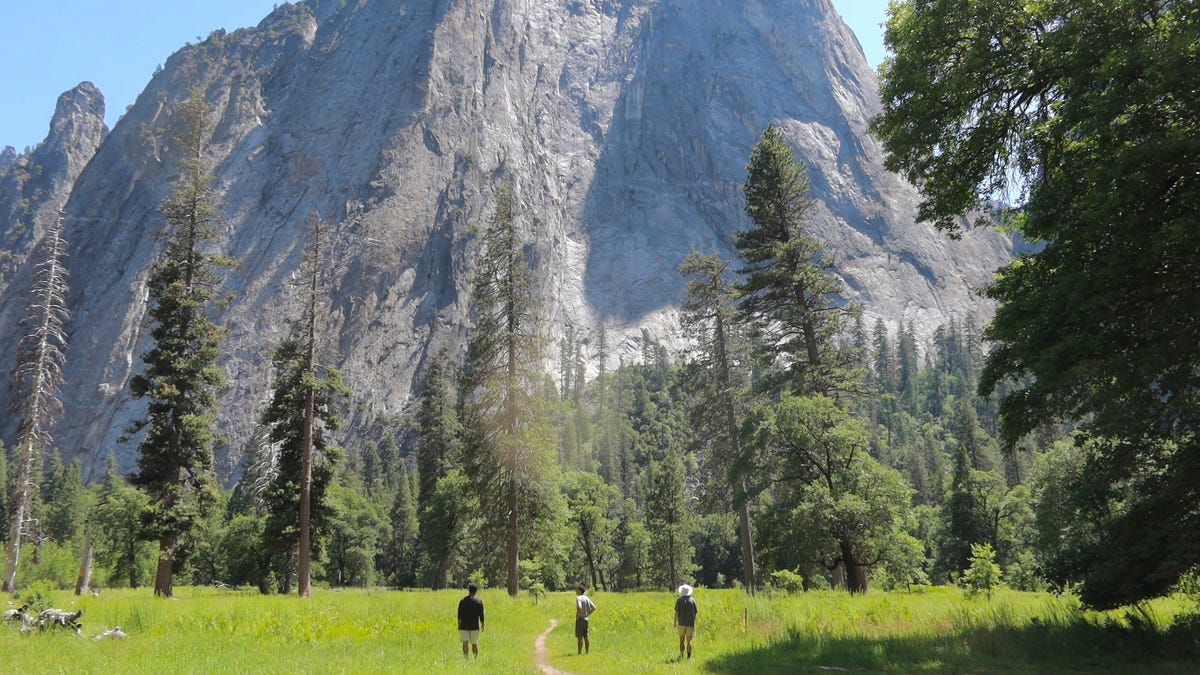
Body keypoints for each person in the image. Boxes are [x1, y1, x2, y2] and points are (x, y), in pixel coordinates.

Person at [457, 583, 485, 658]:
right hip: (474, 626)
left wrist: (459, 624)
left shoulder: (462, 601)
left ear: (468, 590)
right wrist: (482, 624)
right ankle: (475, 657)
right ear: (476, 591)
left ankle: (466, 658)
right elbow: (481, 615)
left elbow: (459, 615)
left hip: (464, 625)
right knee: (474, 643)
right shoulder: (479, 602)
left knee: (465, 643)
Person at [673, 584, 698, 660]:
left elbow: (677, 612)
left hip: (681, 623)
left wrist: (675, 622)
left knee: (681, 640)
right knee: (689, 641)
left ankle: (681, 655)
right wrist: (694, 622)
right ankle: (689, 657)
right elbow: (695, 613)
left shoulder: (679, 600)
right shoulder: (692, 601)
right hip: (690, 624)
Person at [574, 584, 597, 655]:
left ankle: (579, 653)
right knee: (586, 636)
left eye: (577, 589)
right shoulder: (587, 598)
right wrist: (587, 614)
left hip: (580, 619)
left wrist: (577, 616)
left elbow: (579, 608)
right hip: (586, 620)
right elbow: (594, 608)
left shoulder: (578, 598)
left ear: (580, 591)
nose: (575, 591)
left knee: (580, 637)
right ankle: (587, 652)